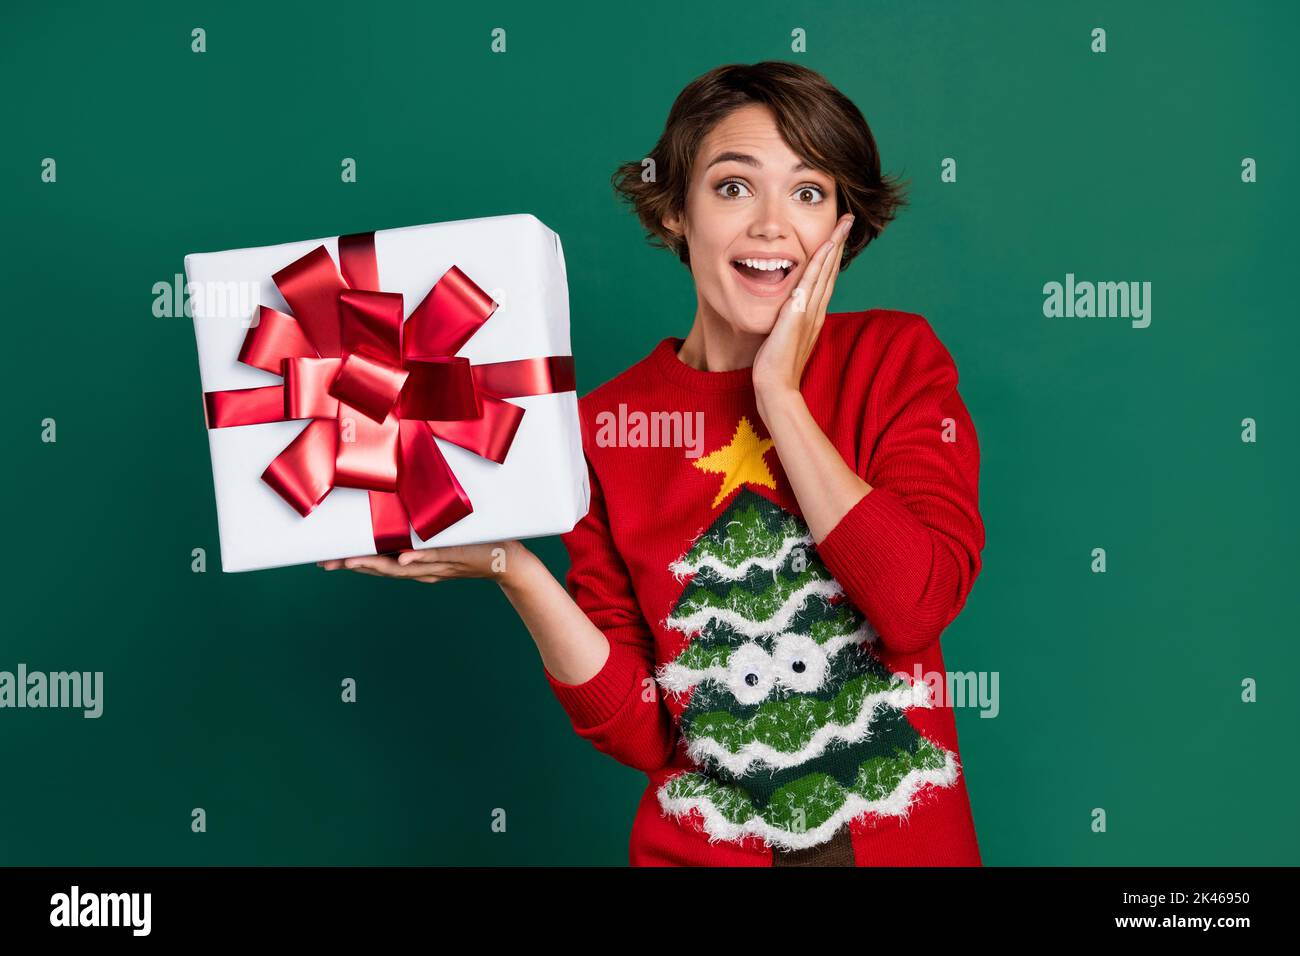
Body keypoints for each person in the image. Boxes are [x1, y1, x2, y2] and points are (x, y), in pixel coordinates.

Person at [321, 61, 985, 867]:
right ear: (675, 212)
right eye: (734, 187)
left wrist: (778, 393)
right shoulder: (602, 427)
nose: (774, 225)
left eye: (809, 192)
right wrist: (515, 570)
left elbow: (914, 605)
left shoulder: (895, 360)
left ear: (843, 224)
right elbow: (644, 731)